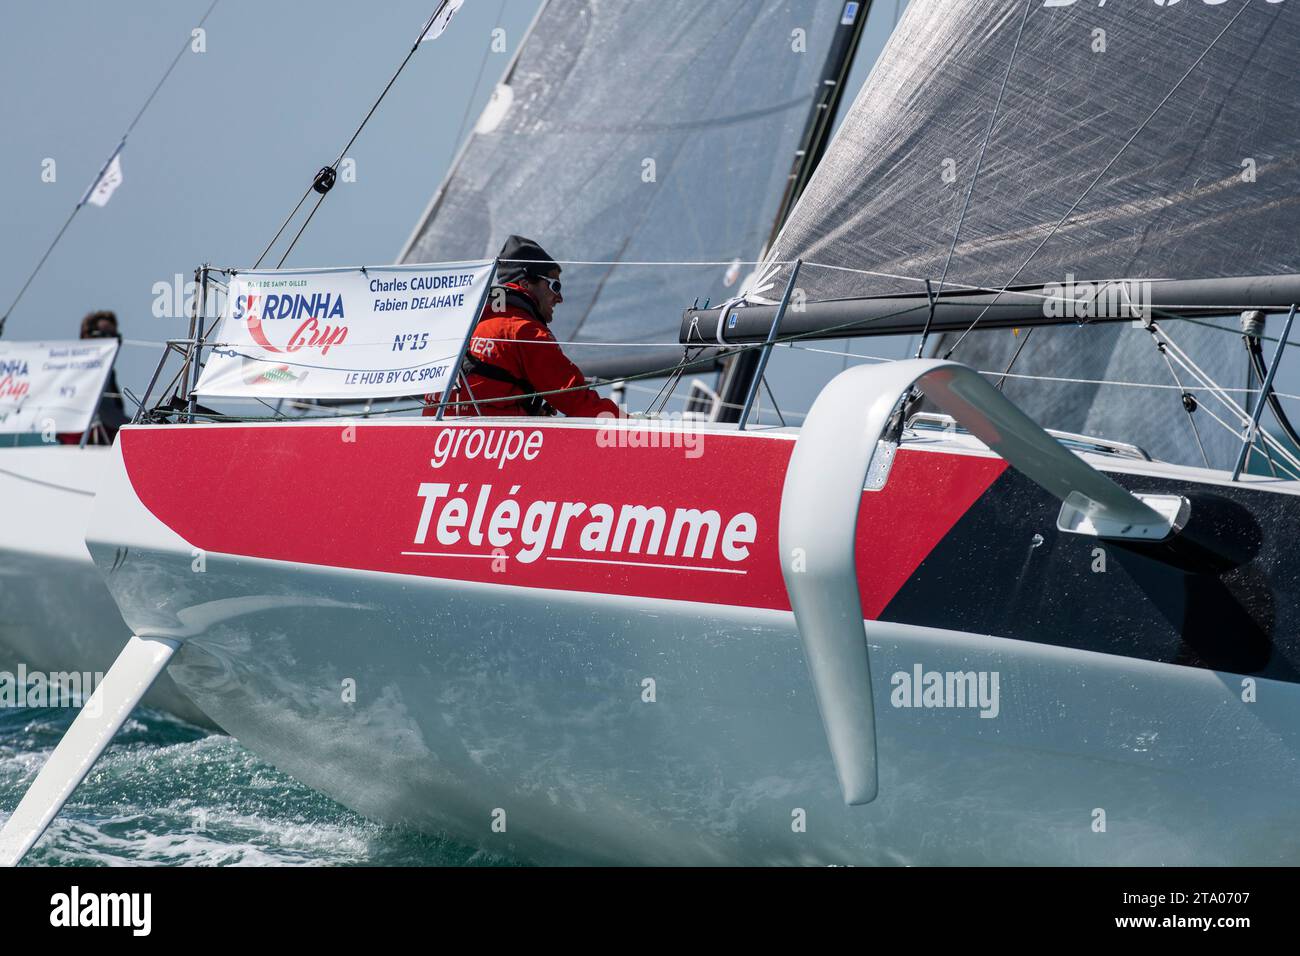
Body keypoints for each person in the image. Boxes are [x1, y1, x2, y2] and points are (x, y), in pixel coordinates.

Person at [424, 236, 622, 418]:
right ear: (526, 284)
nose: (560, 298)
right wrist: (630, 424)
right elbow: (576, 401)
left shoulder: (459, 322)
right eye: (555, 286)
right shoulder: (524, 331)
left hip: (432, 440)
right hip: (495, 446)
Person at [57, 310, 127, 444]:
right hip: (79, 444)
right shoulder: (73, 370)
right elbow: (104, 413)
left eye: (115, 336)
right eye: (104, 335)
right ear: (86, 336)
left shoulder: (109, 373)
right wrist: (135, 426)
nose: (111, 341)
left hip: (104, 442)